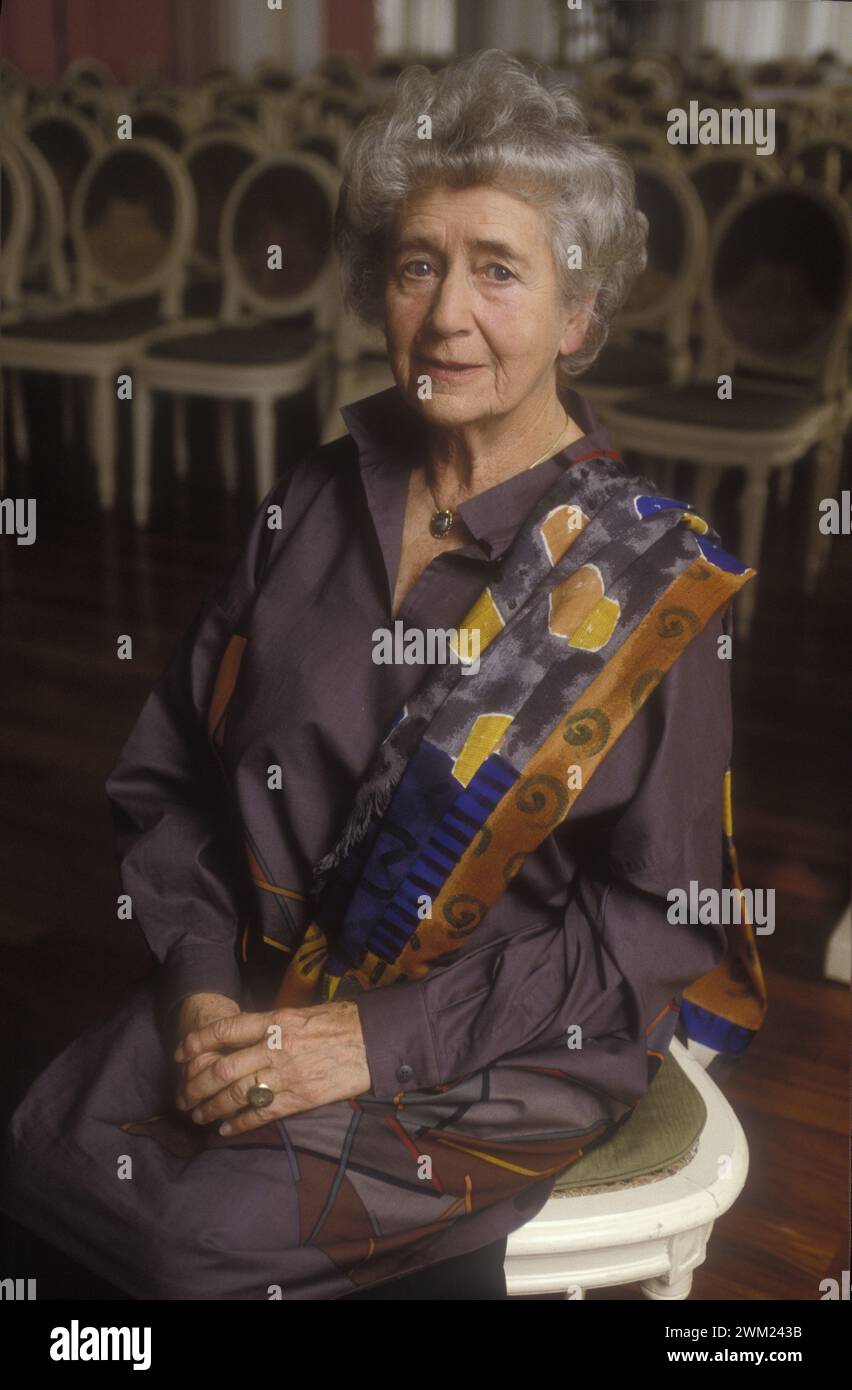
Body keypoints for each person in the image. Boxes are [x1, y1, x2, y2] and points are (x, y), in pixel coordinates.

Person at [0, 50, 765, 1301]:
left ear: (577, 315)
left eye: (499, 270)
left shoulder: (652, 584)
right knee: (42, 1154)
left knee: (182, 1247)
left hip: (505, 1043)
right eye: (419, 264)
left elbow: (657, 928)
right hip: (259, 982)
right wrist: (199, 990)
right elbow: (170, 778)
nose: (448, 313)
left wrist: (368, 1038)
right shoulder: (310, 496)